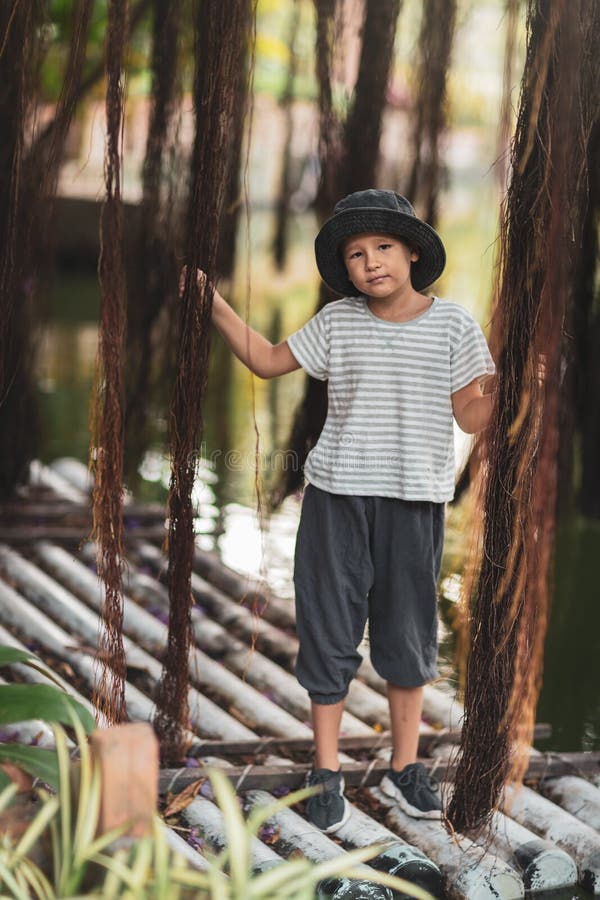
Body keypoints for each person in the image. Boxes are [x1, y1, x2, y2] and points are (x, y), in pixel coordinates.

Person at [207, 189, 496, 833]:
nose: (371, 264)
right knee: (330, 628)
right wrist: (213, 304)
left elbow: (470, 416)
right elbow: (266, 361)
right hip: (336, 498)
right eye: (357, 254)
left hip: (415, 501)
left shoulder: (453, 326)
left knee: (408, 634)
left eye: (383, 248)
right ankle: (327, 769)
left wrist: (509, 391)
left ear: (413, 251)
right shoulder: (339, 321)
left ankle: (404, 768)